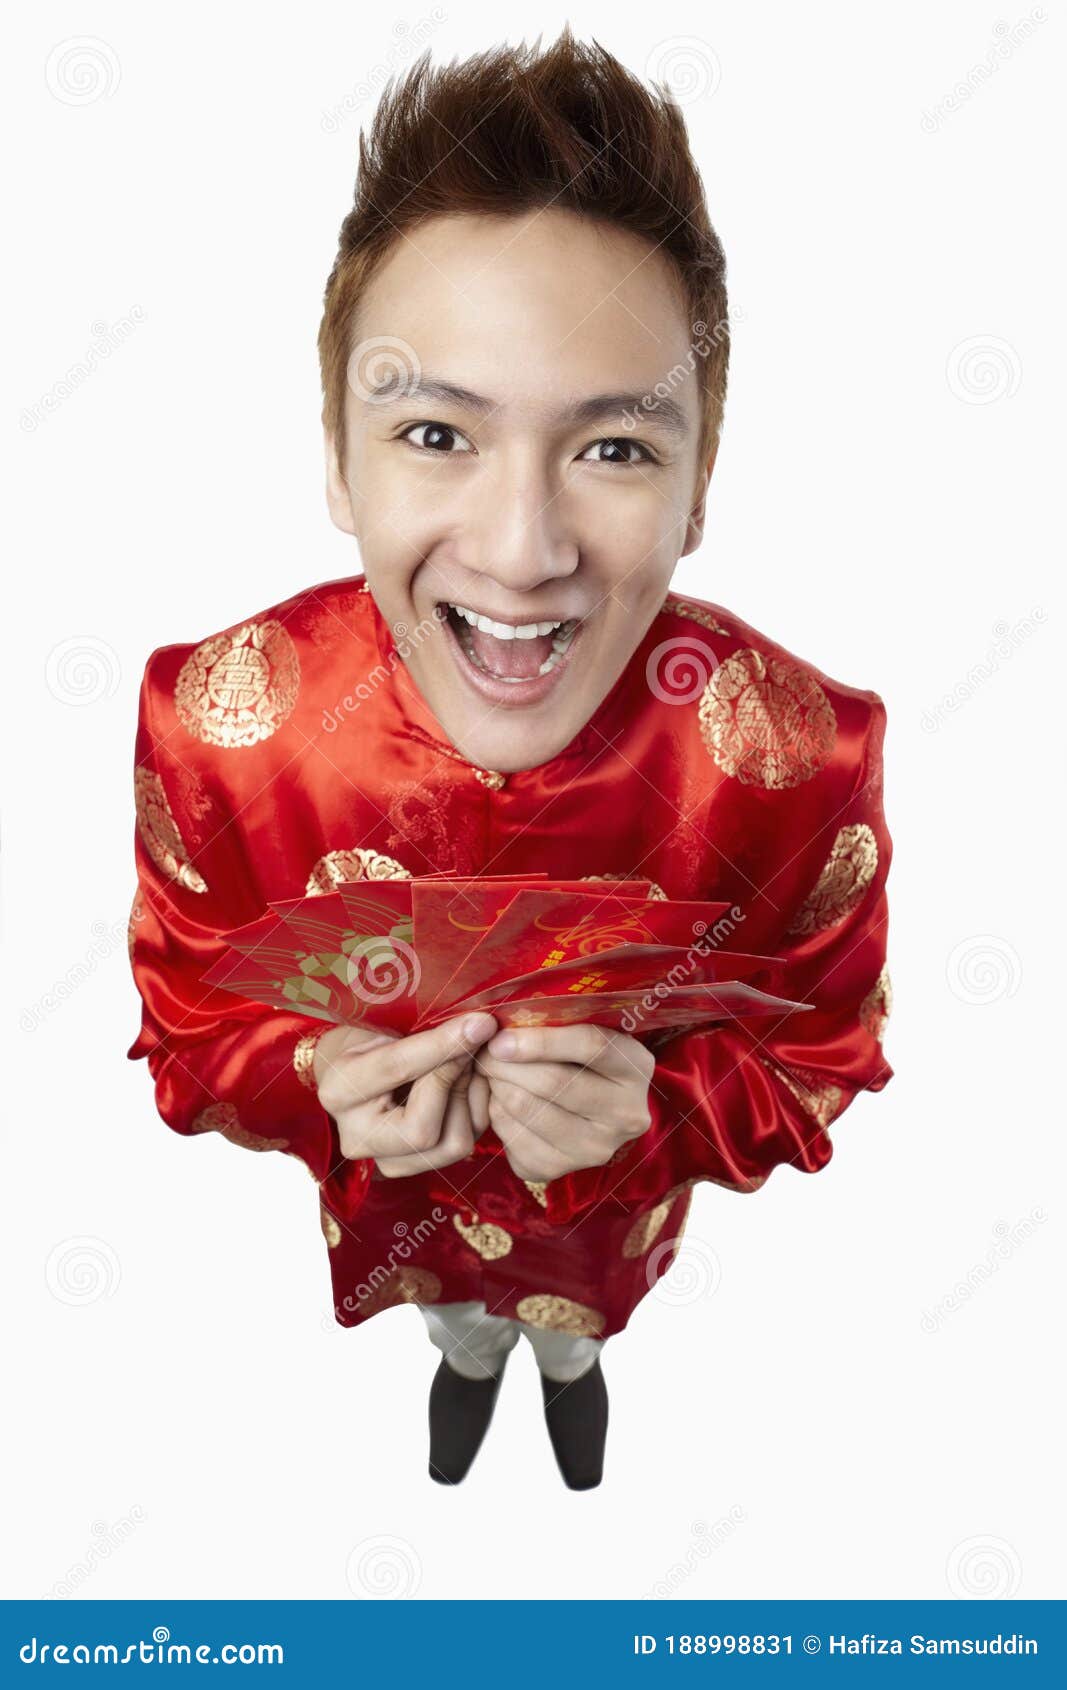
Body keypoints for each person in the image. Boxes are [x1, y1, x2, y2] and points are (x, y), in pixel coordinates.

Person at [127, 30, 893, 1491]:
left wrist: (654, 1117)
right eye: (436, 432)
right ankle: (466, 1361)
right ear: (339, 457)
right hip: (400, 1219)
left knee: (571, 1325)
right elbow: (186, 1021)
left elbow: (825, 1051)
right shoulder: (220, 725)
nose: (524, 550)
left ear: (701, 480)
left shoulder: (799, 753)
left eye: (613, 449)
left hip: (611, 1229)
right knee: (460, 1319)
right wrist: (312, 1076)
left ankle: (573, 1370)